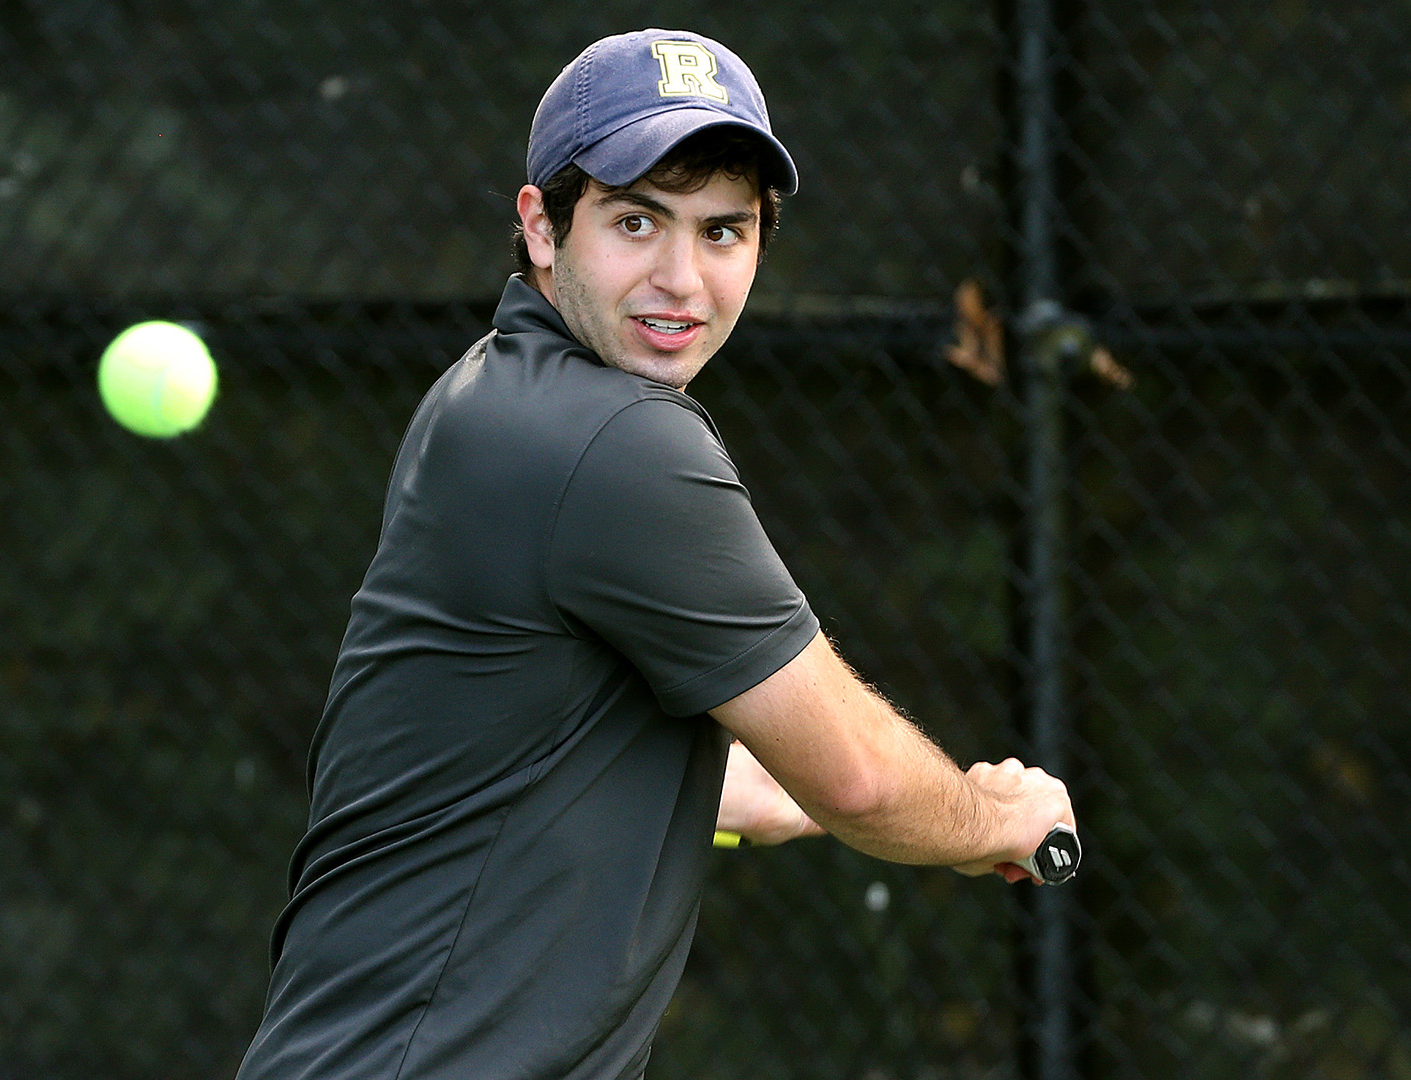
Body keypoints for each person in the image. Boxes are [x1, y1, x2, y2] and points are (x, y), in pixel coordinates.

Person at [236, 28, 1075, 1080]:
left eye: (722, 232)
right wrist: (991, 812)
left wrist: (716, 789)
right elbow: (859, 780)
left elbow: (511, 744)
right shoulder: (616, 442)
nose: (681, 279)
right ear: (542, 227)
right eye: (637, 222)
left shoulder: (490, 396)